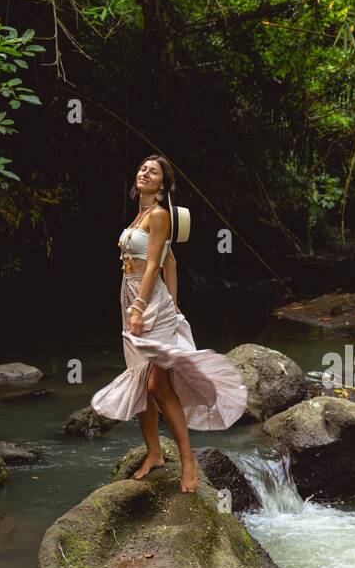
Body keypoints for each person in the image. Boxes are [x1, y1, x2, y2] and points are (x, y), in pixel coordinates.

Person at [90, 154, 247, 491]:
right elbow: (171, 261)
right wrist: (173, 304)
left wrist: (150, 307)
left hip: (147, 303)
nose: (145, 173)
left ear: (163, 184)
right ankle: (154, 453)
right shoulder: (139, 216)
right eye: (142, 168)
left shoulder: (160, 215)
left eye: (154, 171)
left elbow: (154, 266)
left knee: (157, 386)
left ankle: (188, 461)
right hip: (129, 297)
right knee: (140, 383)